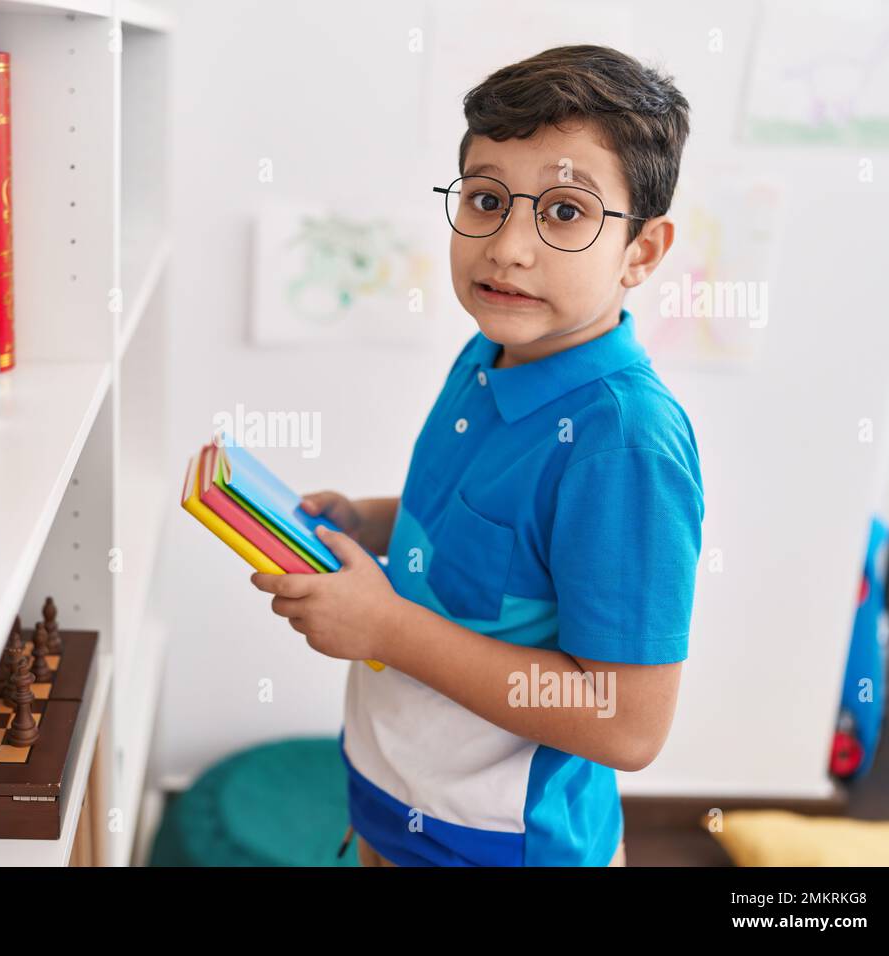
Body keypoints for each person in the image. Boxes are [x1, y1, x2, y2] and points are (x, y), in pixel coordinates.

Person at [251, 45, 703, 867]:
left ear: (641, 251)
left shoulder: (623, 446)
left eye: (564, 212)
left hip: (497, 846)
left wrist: (388, 625)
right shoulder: (489, 350)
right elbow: (491, 533)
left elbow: (629, 725)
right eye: (488, 199)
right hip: (395, 803)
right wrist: (371, 520)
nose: (507, 247)